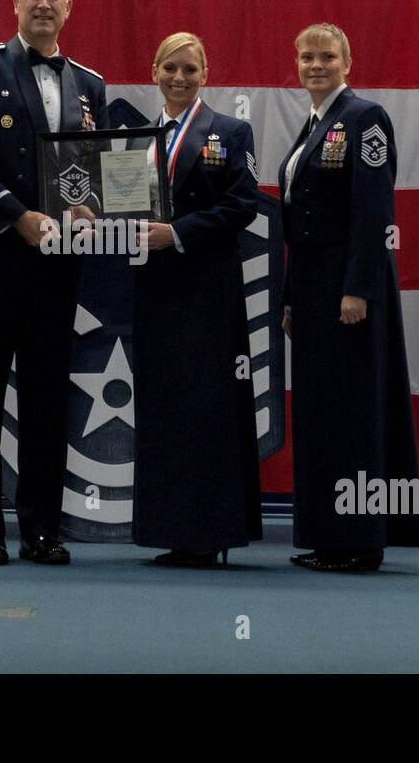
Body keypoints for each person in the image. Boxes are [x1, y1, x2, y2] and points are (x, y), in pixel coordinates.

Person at [0, 0, 108, 565]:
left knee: (46, 400)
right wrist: (19, 216)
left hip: (57, 267)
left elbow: (88, 174)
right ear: (14, 3)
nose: (44, 4)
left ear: (70, 8)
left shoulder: (90, 83)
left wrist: (88, 207)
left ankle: (41, 528)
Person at [277, 22, 419, 572]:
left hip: (350, 287)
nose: (316, 65)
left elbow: (373, 210)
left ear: (348, 62)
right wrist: (292, 296)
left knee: (355, 412)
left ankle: (360, 540)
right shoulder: (313, 125)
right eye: (307, 57)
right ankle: (326, 534)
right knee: (321, 413)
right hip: (314, 289)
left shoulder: (365, 119)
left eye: (327, 57)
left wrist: (358, 287)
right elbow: (298, 225)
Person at [130, 32, 263, 567]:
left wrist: (177, 233)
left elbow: (243, 204)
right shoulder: (137, 138)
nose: (179, 78)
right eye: (170, 68)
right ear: (153, 71)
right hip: (155, 291)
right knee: (164, 409)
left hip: (209, 292)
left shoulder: (231, 131)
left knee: (208, 409)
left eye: (189, 69)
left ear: (205, 73)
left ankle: (210, 531)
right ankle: (172, 529)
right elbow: (125, 207)